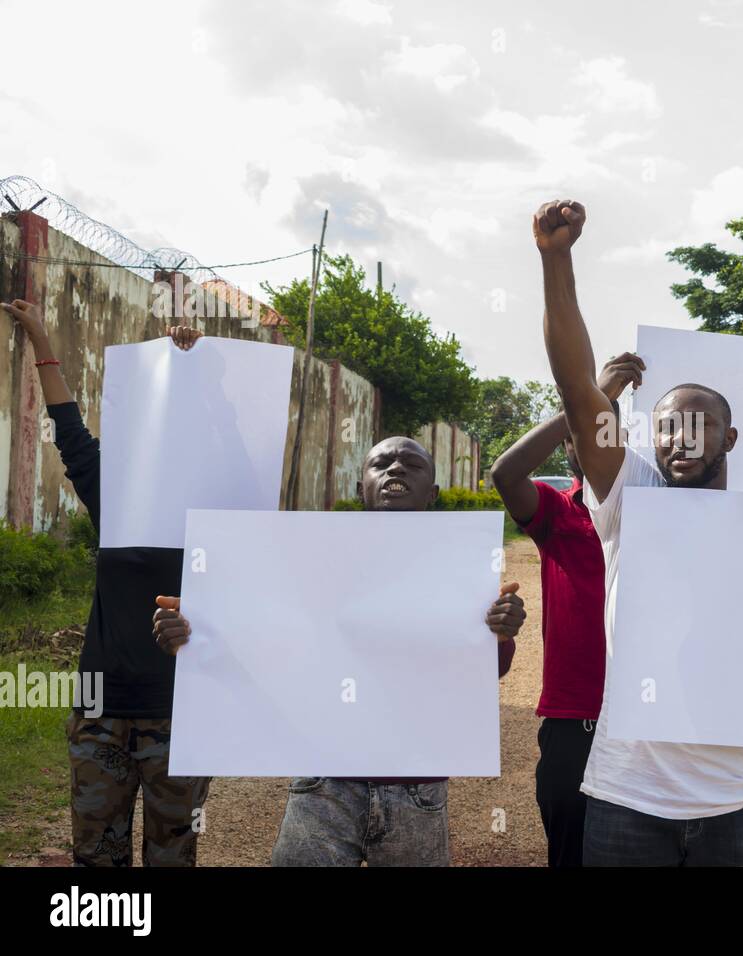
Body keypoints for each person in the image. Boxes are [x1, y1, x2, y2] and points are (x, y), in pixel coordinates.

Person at [534, 198, 743, 866]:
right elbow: (576, 391)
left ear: (730, 437)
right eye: (665, 426)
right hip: (624, 798)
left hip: (739, 803)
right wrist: (556, 260)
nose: (678, 437)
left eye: (697, 424)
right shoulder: (631, 498)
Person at [154, 435, 526, 866]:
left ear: (433, 492)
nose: (395, 470)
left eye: (411, 464)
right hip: (323, 778)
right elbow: (260, 634)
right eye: (381, 464)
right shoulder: (308, 554)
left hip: (417, 783)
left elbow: (485, 669)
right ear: (359, 488)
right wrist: (190, 633)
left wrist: (500, 634)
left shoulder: (462, 566)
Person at [3, 298, 209, 867]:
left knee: (172, 859)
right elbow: (68, 432)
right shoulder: (115, 496)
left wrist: (195, 367)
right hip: (99, 711)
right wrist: (42, 338)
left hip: (179, 714)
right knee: (96, 859)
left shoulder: (220, 511)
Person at [488, 354, 641, 867]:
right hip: (573, 717)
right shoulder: (556, 511)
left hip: (646, 717)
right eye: (578, 432)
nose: (588, 442)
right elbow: (505, 472)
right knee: (571, 850)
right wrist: (585, 396)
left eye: (602, 432)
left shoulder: (656, 507)